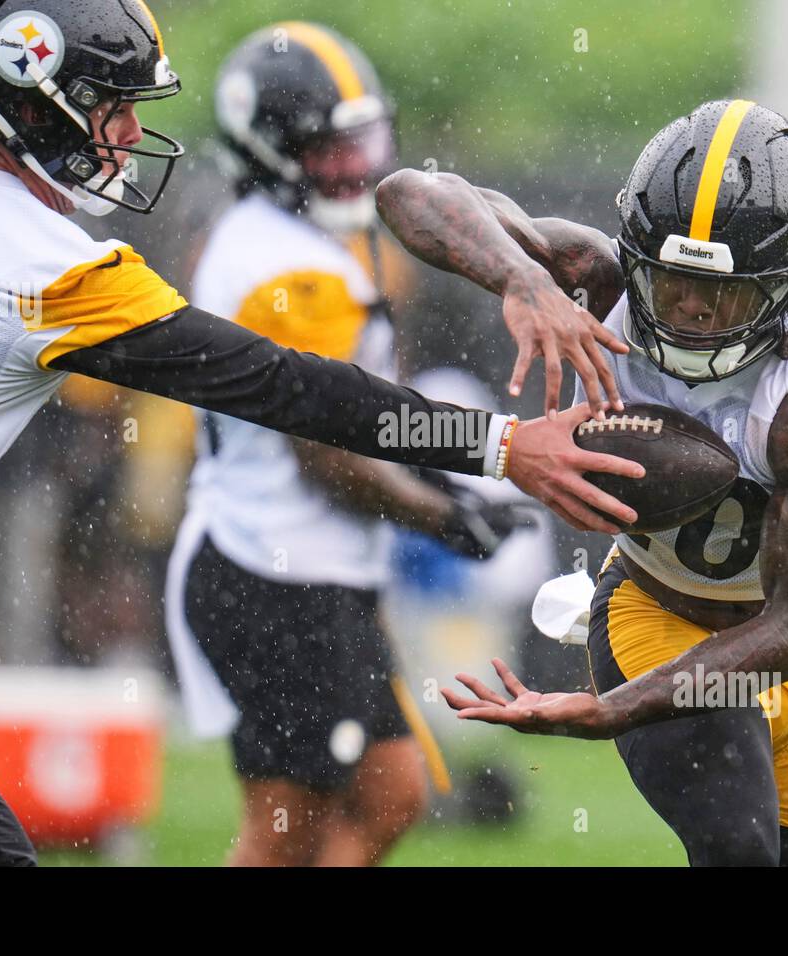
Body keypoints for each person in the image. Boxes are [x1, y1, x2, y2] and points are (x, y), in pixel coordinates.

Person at [0, 0, 641, 866]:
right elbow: (286, 389)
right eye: (110, 104)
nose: (125, 132)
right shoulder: (44, 266)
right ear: (34, 100)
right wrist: (500, 444)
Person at [378, 99, 788, 866]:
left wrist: (614, 710)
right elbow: (408, 193)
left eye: (726, 291)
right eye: (671, 278)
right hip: (657, 609)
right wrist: (524, 278)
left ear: (786, 284)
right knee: (739, 854)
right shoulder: (595, 280)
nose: (691, 309)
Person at [166, 23, 533, 867]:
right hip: (275, 574)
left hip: (306, 571)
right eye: (330, 148)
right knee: (286, 827)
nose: (356, 166)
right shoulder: (295, 269)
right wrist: (444, 515)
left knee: (391, 792)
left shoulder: (272, 239)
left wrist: (445, 502)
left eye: (363, 140)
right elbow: (329, 457)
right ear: (269, 151)